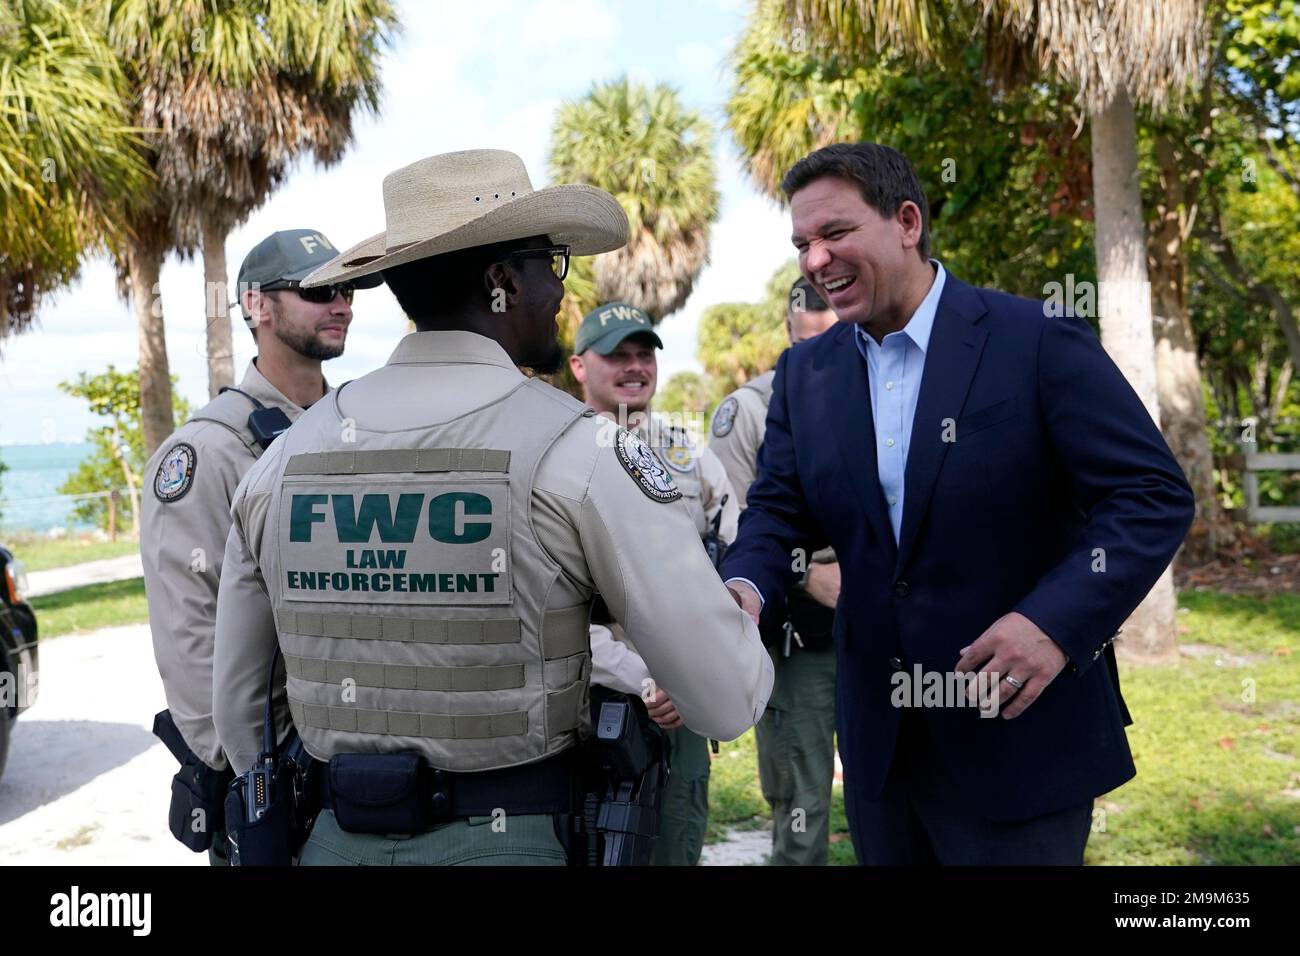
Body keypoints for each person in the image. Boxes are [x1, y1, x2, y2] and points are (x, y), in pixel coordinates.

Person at [211, 149, 773, 866]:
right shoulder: (579, 452)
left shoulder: (282, 462)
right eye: (550, 264)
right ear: (502, 281)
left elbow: (238, 711)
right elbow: (726, 697)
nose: (561, 292)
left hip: (333, 840)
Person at [721, 142, 1195, 865]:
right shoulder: (804, 374)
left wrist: (1054, 623)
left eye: (836, 234)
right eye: (802, 243)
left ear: (907, 221)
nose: (815, 261)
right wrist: (747, 586)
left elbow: (1151, 494)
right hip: (882, 758)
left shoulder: (1036, 341)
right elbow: (777, 512)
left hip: (1022, 747)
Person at [141, 229, 379, 864]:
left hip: (365, 770)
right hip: (277, 789)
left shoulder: (361, 430)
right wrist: (257, 772)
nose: (343, 304)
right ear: (256, 305)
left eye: (348, 289)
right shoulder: (207, 452)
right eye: (320, 290)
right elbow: (192, 637)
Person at [569, 301, 739, 866]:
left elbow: (735, 554)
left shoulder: (689, 454)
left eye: (644, 354)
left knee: (677, 839)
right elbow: (549, 605)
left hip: (682, 700)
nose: (635, 366)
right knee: (593, 847)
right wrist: (644, 676)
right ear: (578, 366)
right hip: (587, 707)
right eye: (617, 355)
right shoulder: (556, 454)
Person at [708, 277, 840, 866]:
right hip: (798, 632)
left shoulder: (886, 391)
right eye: (805, 337)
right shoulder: (754, 408)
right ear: (788, 331)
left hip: (885, 630)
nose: (819, 350)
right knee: (800, 798)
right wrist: (808, 575)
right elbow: (743, 523)